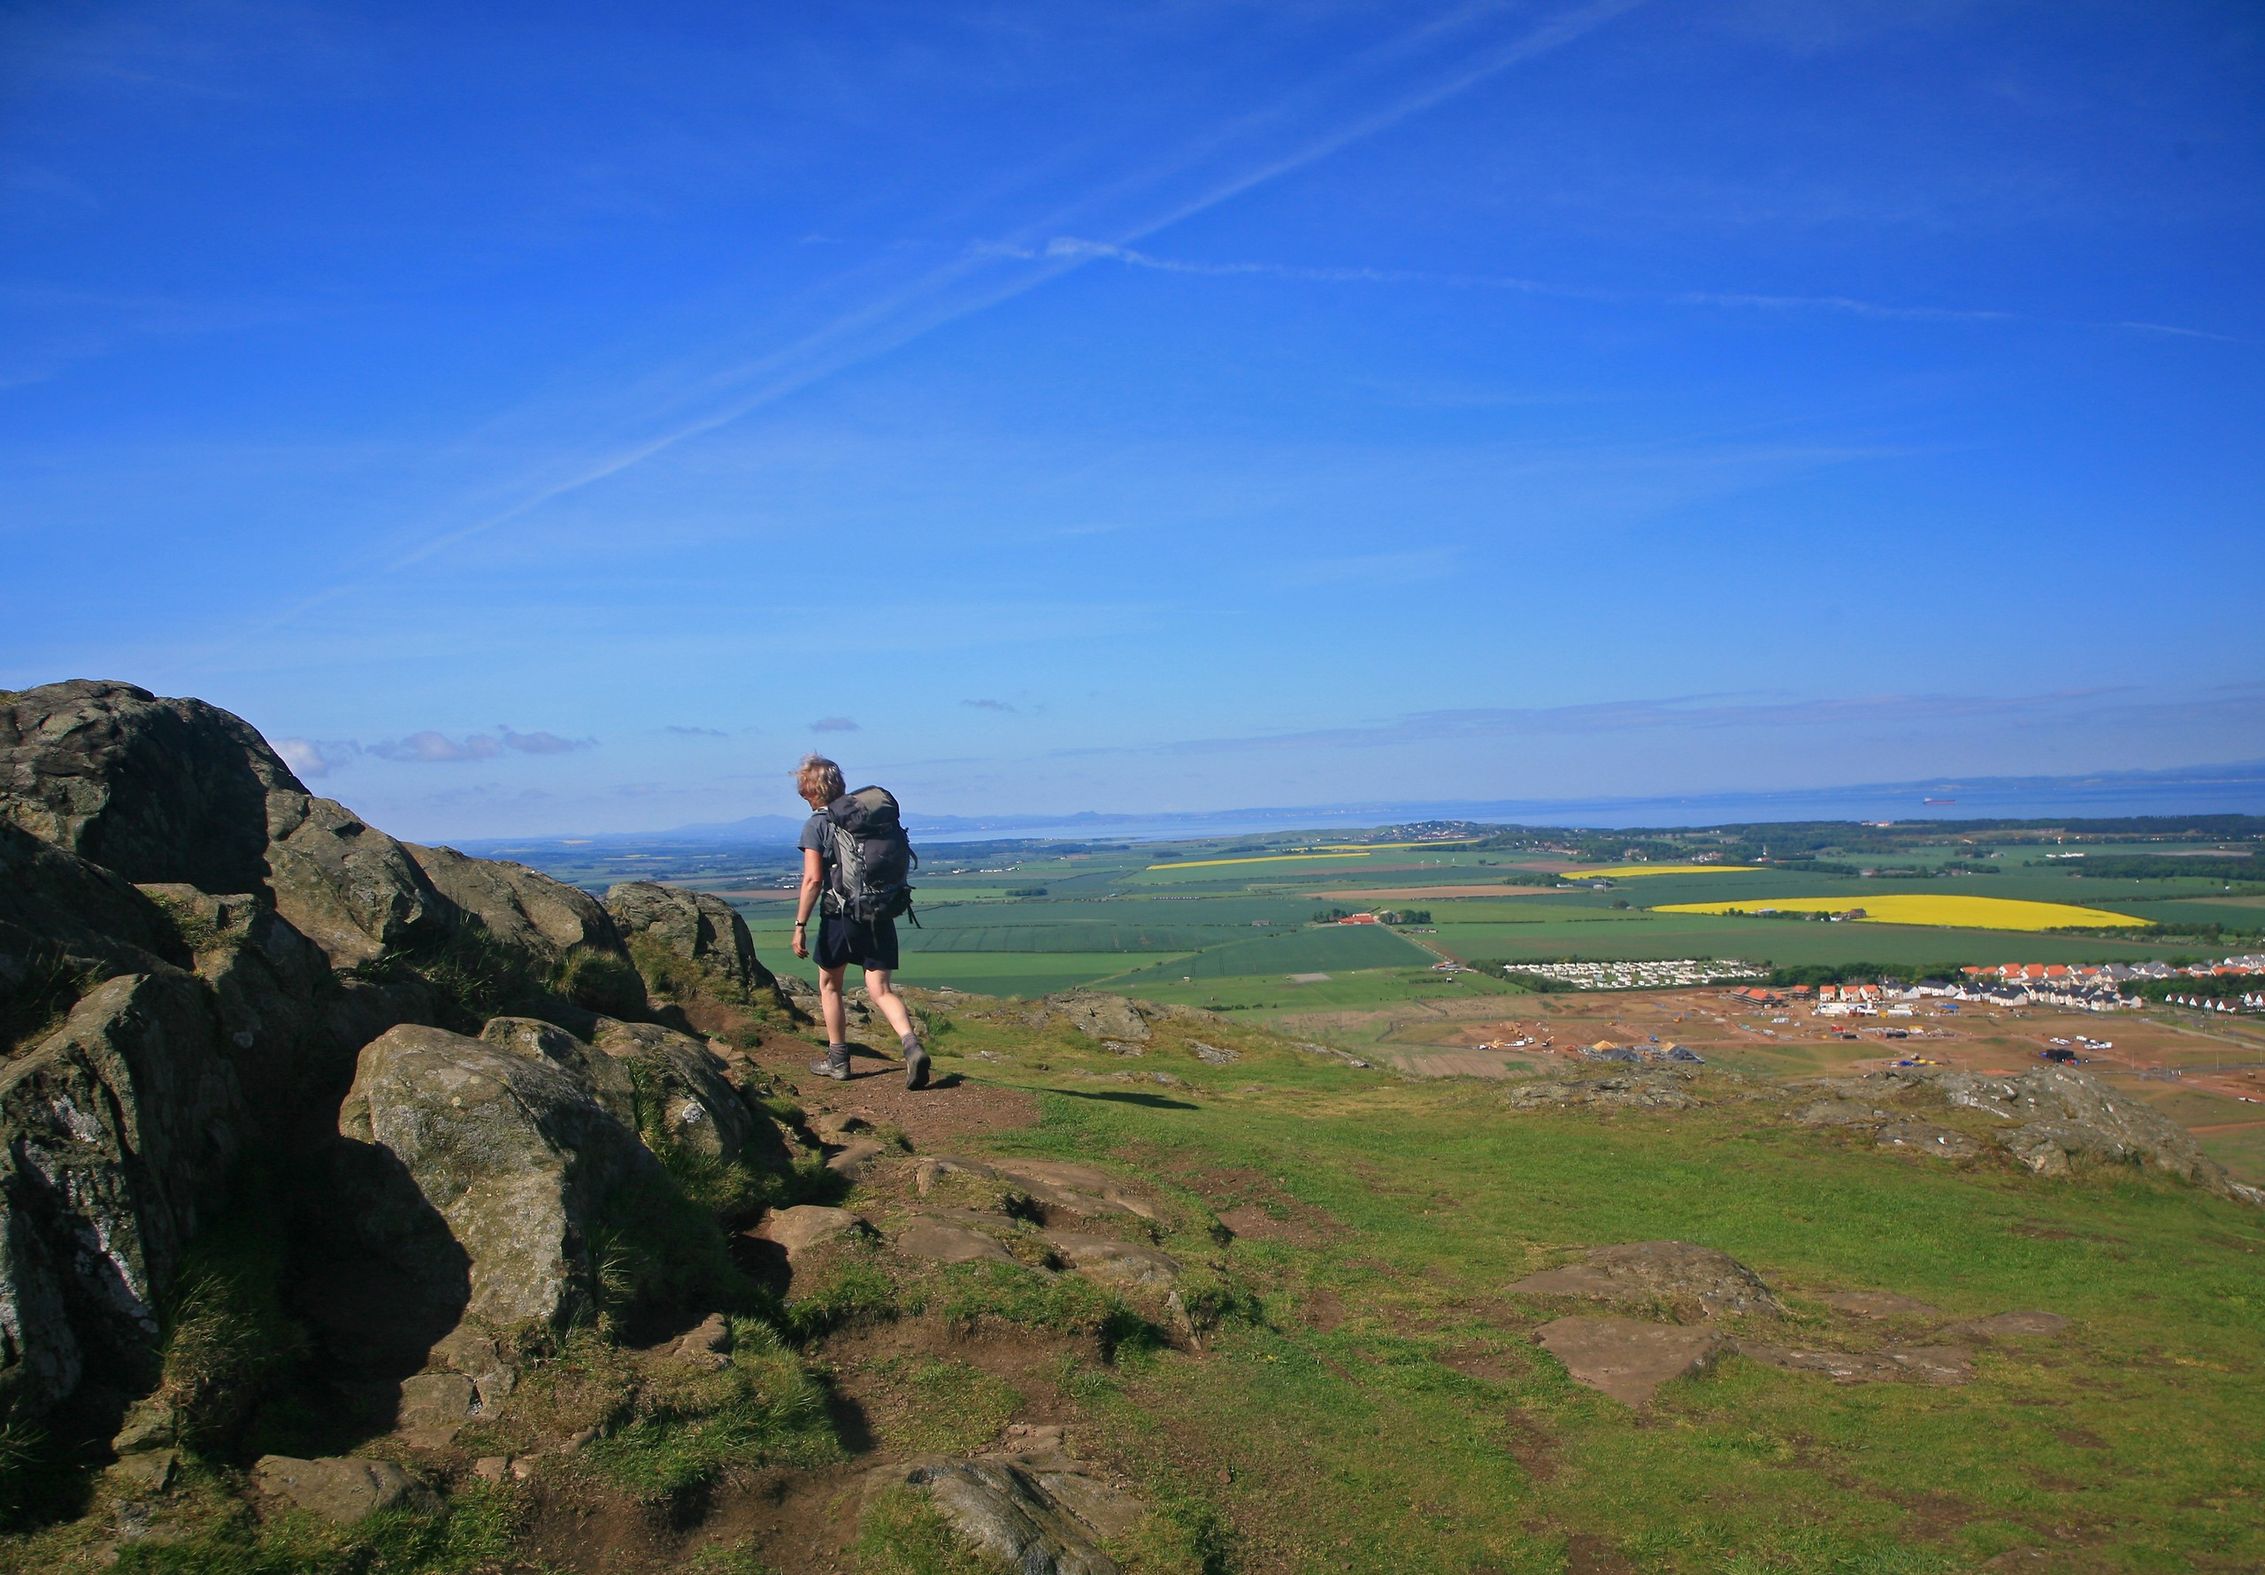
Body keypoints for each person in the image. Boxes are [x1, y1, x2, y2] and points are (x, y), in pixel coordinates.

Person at [789, 754, 930, 1088]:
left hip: (840, 917)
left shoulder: (817, 824)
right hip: (879, 911)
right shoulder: (868, 820)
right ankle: (911, 1045)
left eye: (803, 790)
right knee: (880, 989)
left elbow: (812, 880)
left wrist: (800, 926)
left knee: (830, 986)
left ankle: (838, 1060)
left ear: (811, 791)